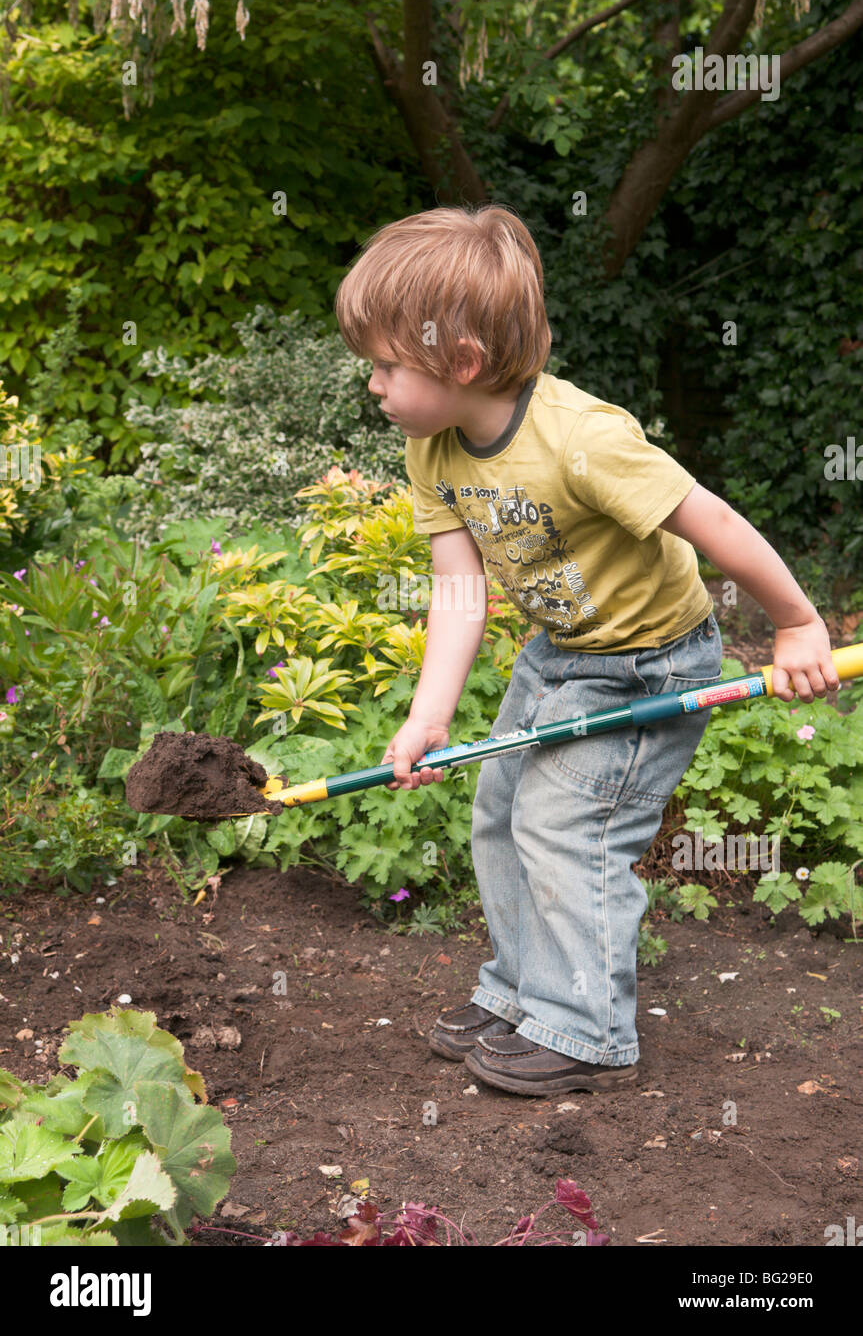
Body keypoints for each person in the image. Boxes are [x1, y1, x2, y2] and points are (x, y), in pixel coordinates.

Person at [333, 204, 839, 1097]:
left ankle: (585, 1031)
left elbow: (709, 518)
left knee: (567, 825)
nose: (370, 383)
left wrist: (796, 623)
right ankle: (527, 992)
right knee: (497, 807)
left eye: (382, 365)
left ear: (461, 363)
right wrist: (427, 717)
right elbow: (460, 588)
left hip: (649, 662)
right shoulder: (434, 446)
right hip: (559, 653)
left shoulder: (581, 439)